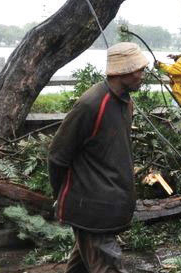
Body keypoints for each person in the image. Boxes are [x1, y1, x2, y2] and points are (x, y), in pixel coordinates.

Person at [48, 42, 148, 273]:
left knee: (80, 266)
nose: (143, 75)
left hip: (109, 205)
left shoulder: (125, 102)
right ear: (123, 71)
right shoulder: (91, 104)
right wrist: (61, 195)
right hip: (93, 208)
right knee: (107, 266)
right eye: (139, 69)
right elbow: (57, 156)